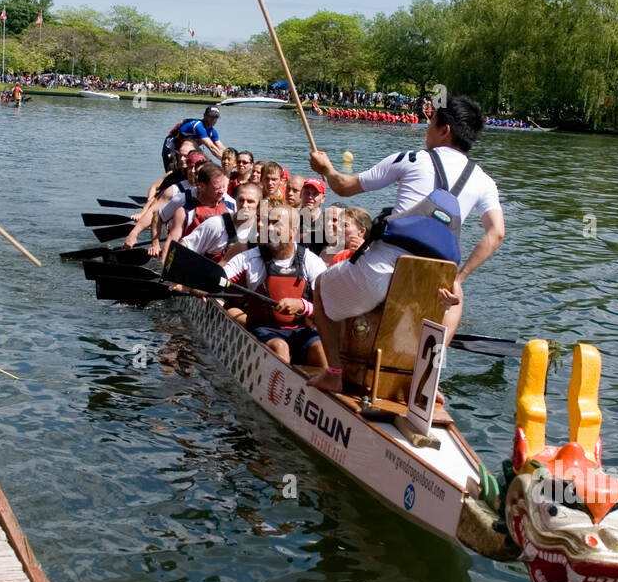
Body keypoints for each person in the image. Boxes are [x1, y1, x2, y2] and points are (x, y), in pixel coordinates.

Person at [307, 94, 504, 393]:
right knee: (456, 302)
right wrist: (459, 279)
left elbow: (343, 188)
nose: (426, 128)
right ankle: (424, 381)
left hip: (381, 271)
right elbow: (496, 233)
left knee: (321, 287)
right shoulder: (484, 180)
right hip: (433, 287)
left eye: (430, 121)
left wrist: (326, 169)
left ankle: (335, 372)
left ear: (444, 129)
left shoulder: (411, 158)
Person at [222, 204, 328, 367]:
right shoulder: (247, 259)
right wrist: (199, 285)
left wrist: (302, 305)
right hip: (263, 329)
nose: (269, 228)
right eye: (267, 222)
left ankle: (329, 387)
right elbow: (219, 279)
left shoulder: (311, 262)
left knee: (321, 349)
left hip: (300, 331)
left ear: (293, 232)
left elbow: (327, 309)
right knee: (280, 347)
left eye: (276, 223)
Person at [181, 181, 260, 261]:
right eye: (241, 200)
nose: (244, 205)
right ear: (235, 201)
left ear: (259, 205)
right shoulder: (217, 224)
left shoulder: (261, 233)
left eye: (250, 202)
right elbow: (184, 246)